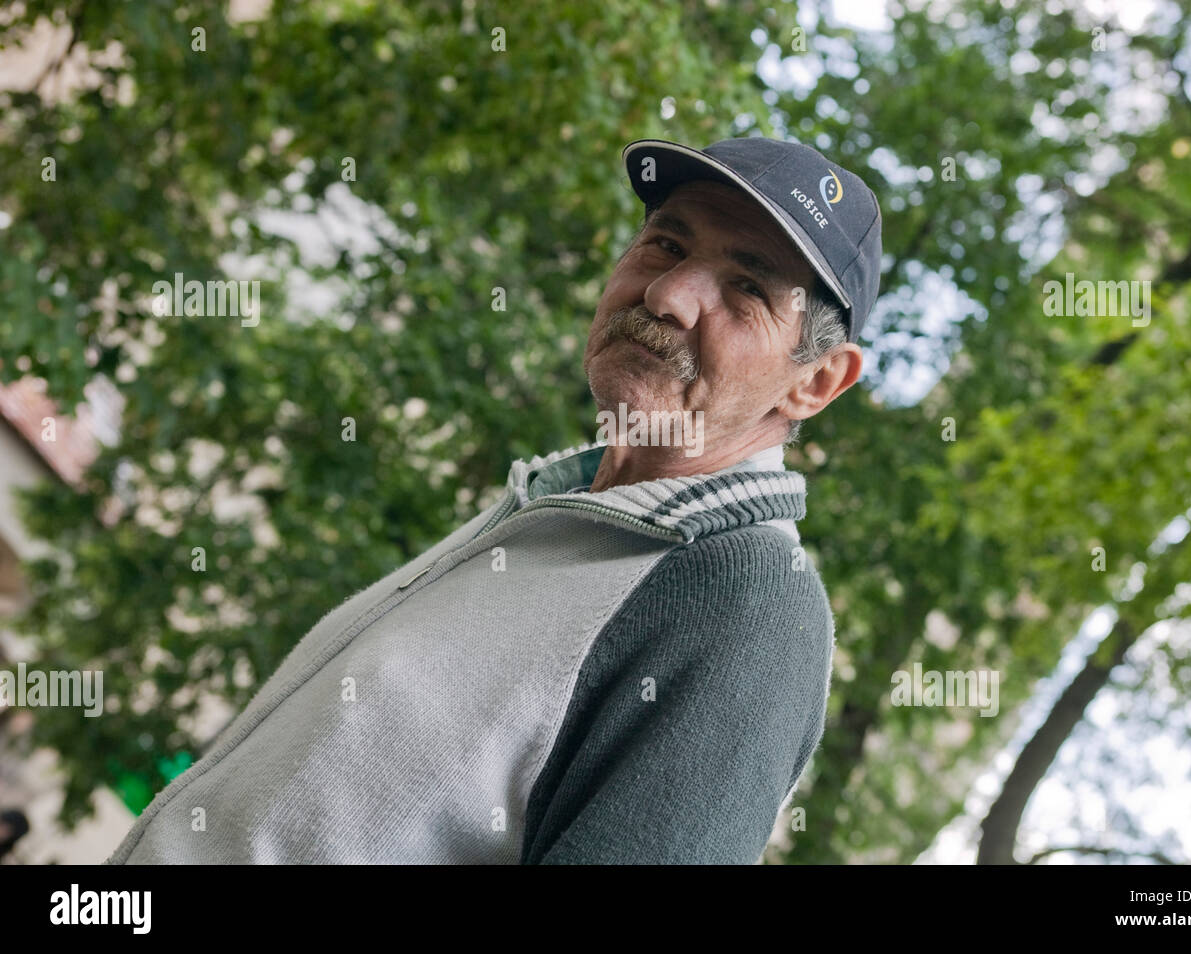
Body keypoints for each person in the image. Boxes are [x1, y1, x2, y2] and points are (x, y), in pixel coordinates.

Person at [106, 135, 883, 864]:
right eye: (666, 244)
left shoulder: (749, 606)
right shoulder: (558, 509)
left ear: (815, 381)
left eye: (746, 287)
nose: (669, 294)